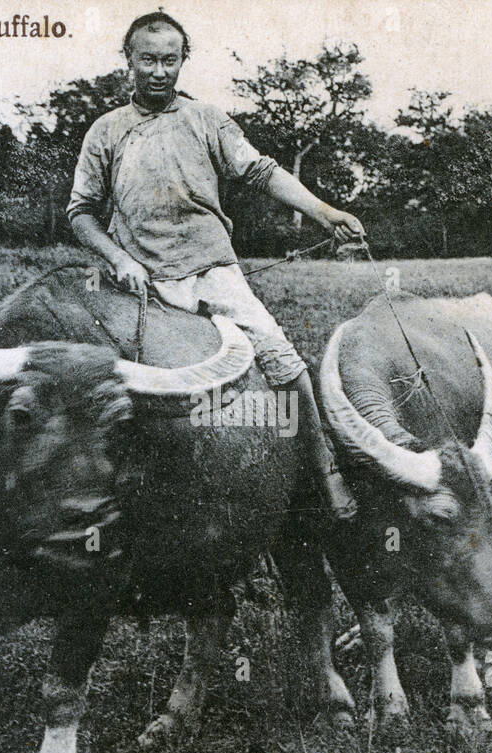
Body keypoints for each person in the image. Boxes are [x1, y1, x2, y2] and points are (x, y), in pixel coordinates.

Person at [67, 10, 361, 519]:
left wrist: (326, 212)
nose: (159, 71)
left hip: (211, 272)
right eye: (148, 60)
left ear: (183, 62)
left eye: (170, 60)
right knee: (112, 383)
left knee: (285, 364)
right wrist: (117, 259)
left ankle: (323, 472)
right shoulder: (106, 131)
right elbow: (81, 213)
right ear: (128, 61)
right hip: (140, 282)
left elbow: (263, 171)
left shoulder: (206, 120)